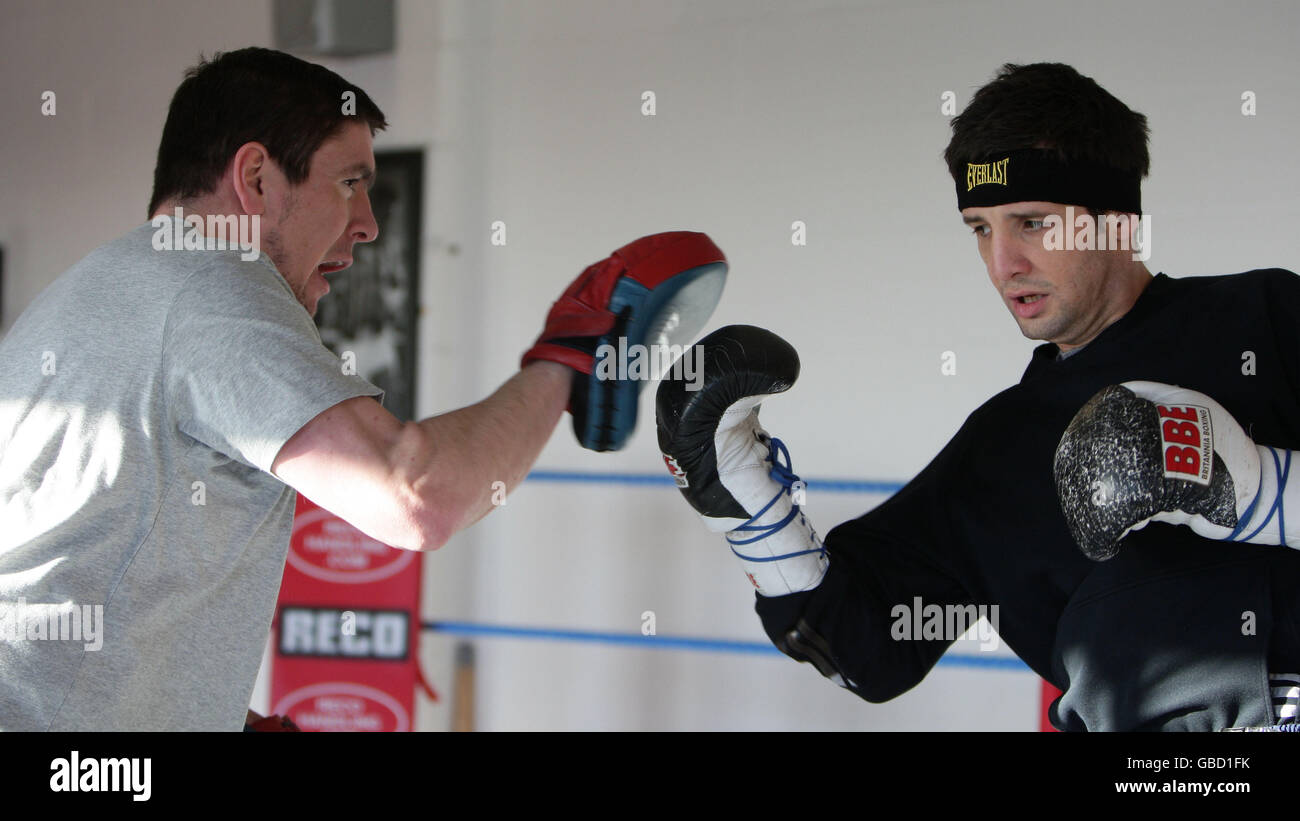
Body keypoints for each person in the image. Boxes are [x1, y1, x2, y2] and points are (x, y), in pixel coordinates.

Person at [0, 47, 725, 731]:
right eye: (349, 184)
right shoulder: (209, 284)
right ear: (255, 179)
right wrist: (568, 357)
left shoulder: (85, 296)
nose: (369, 224)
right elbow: (414, 493)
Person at [657, 62, 1300, 730]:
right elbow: (864, 646)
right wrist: (739, 494)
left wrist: (1266, 492)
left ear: (1115, 218)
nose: (1003, 264)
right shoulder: (996, 454)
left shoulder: (1265, 316)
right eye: (980, 228)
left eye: (1030, 222)